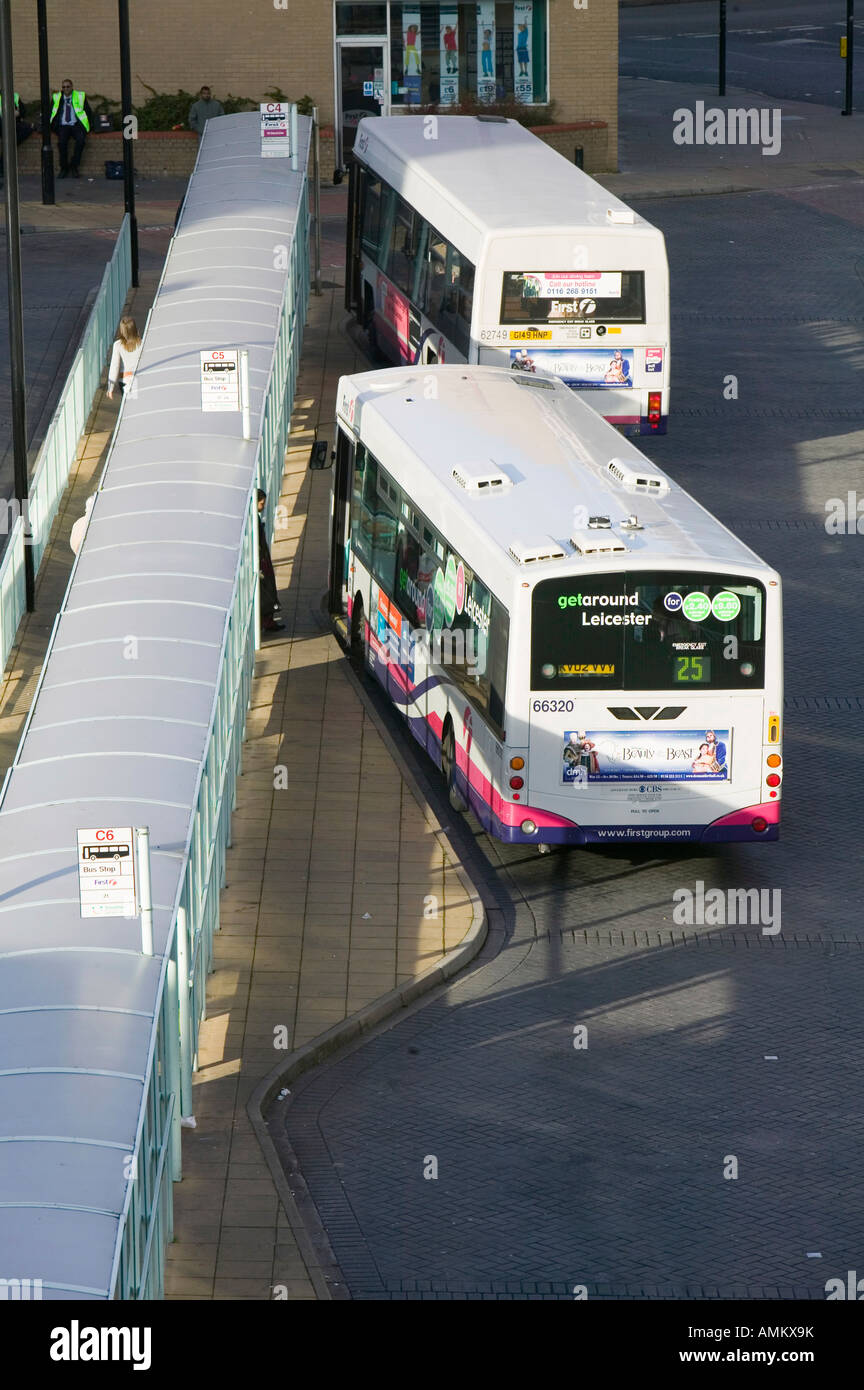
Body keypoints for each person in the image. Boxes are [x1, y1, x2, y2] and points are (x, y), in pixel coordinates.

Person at [50, 79, 93, 178]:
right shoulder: (57, 97)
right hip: (63, 126)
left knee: (81, 141)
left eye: (68, 86)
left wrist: (88, 126)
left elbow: (88, 111)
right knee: (62, 143)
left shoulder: (79, 96)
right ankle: (64, 168)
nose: (66, 89)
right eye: (63, 87)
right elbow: (51, 111)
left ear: (72, 87)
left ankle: (74, 166)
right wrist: (53, 126)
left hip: (76, 125)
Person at [257, 489, 284, 634]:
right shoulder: (254, 520)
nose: (264, 506)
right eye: (262, 503)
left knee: (267, 590)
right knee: (267, 590)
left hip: (262, 560)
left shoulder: (254, 518)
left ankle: (267, 621)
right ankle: (267, 621)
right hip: (262, 562)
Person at [0, 93, 33, 186]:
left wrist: (18, 113)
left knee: (28, 129)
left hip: (13, 124)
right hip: (2, 124)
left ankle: (10, 145)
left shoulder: (15, 96)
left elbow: (23, 112)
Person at [107, 317, 143, 399]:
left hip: (125, 380)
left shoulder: (118, 345)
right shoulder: (142, 343)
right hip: (140, 378)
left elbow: (114, 366)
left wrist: (110, 388)